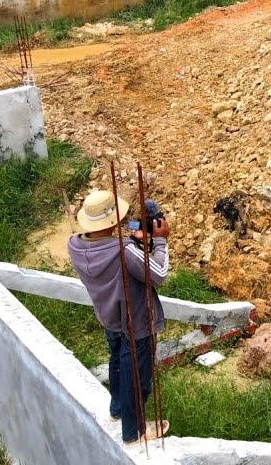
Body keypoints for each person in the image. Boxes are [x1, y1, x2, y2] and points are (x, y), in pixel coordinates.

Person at [68, 190, 171, 444]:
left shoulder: (75, 245)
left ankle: (117, 409)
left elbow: (116, 243)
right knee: (137, 374)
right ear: (114, 220)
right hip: (135, 321)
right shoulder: (123, 250)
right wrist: (160, 241)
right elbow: (158, 274)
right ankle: (134, 430)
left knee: (117, 362)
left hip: (109, 317)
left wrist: (137, 235)